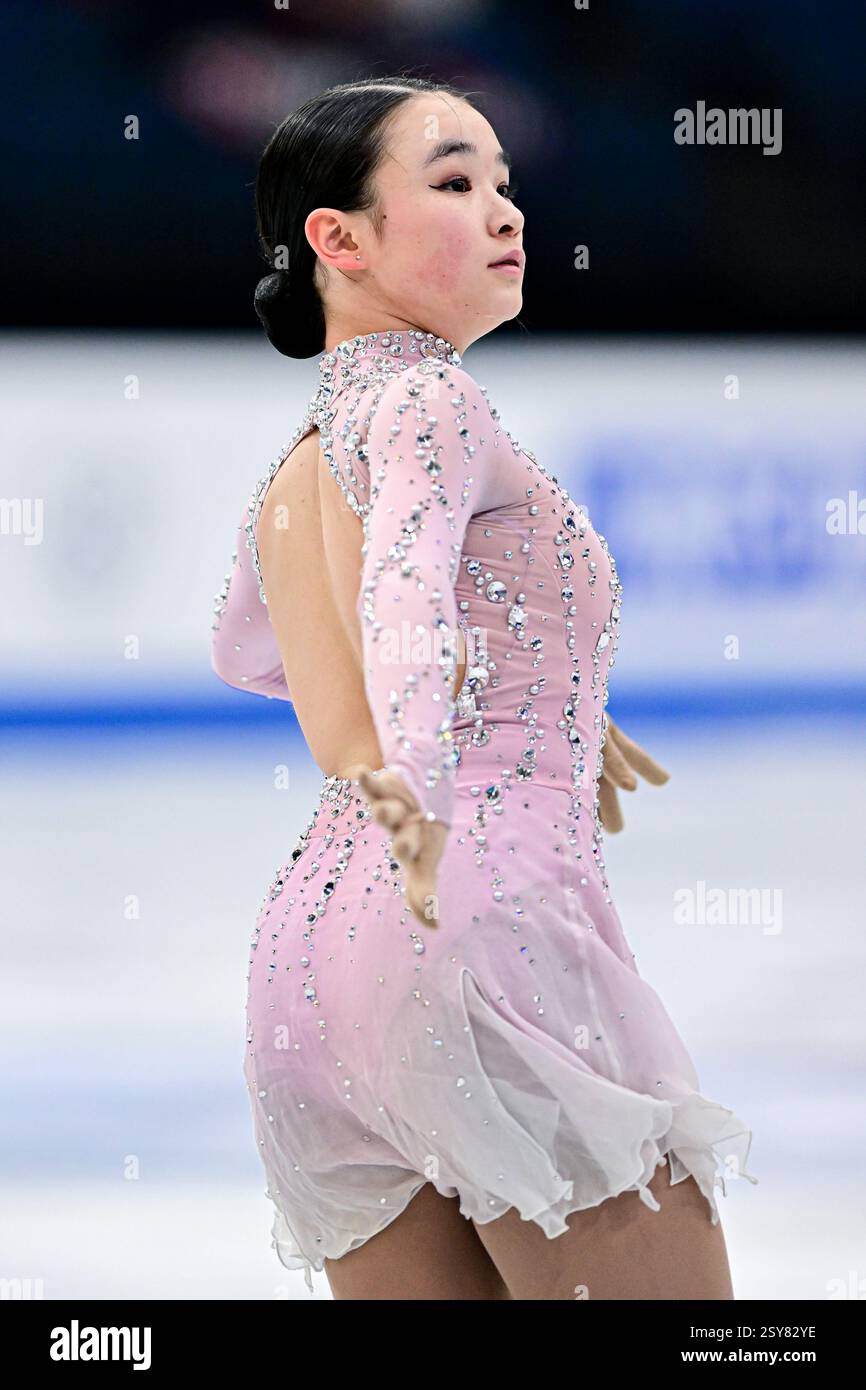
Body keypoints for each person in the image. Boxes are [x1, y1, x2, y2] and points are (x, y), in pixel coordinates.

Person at [211, 75, 757, 1300]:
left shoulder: (303, 456)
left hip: (312, 972)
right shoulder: (429, 398)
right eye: (454, 182)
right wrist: (427, 775)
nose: (505, 210)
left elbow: (257, 657)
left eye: (503, 183)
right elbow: (404, 597)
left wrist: (542, 694)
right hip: (474, 912)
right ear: (338, 240)